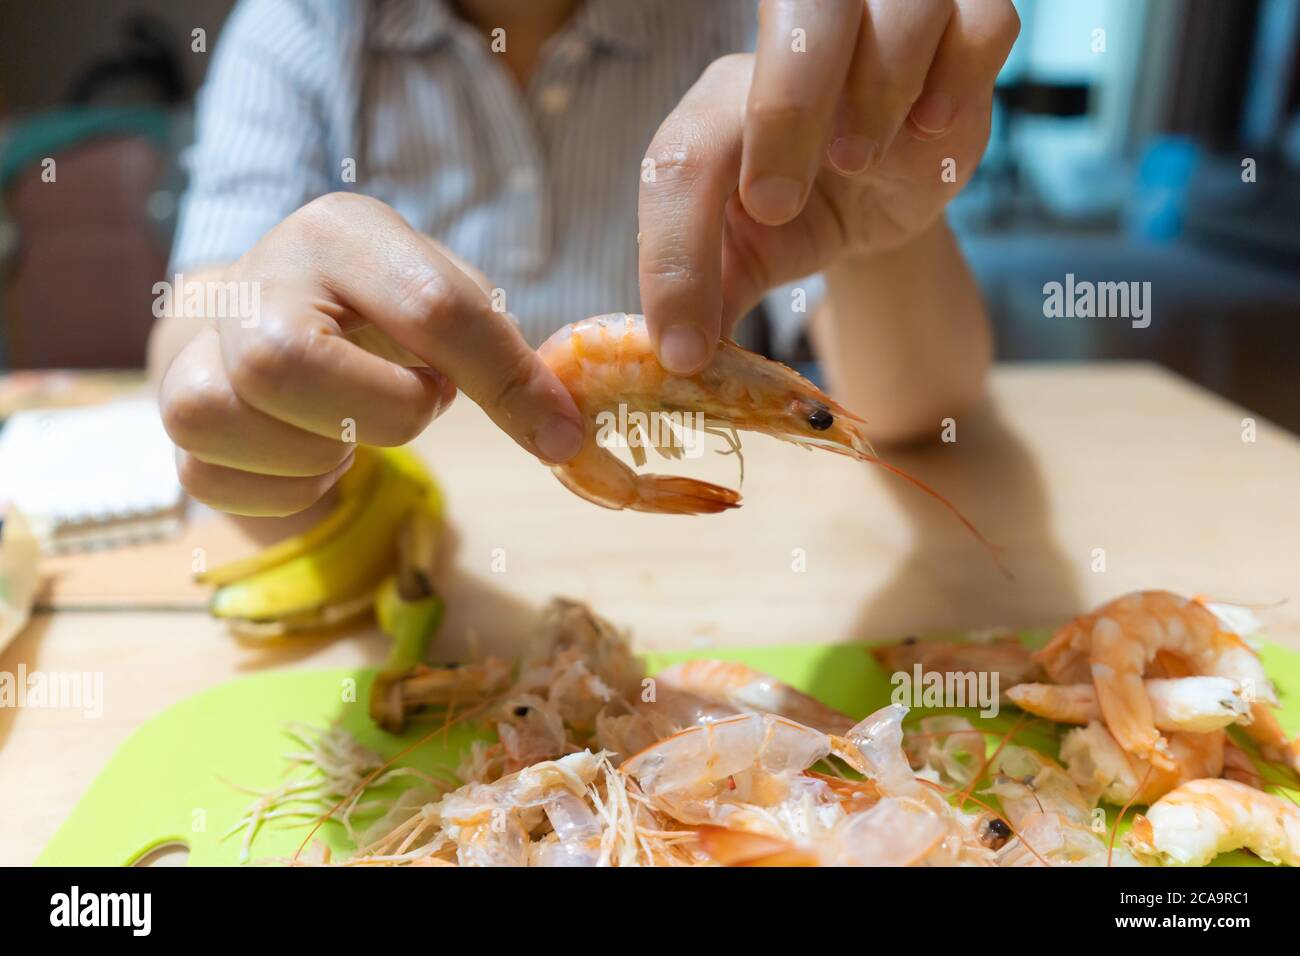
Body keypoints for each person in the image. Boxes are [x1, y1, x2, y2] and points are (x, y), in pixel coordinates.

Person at [151, 0, 1018, 517]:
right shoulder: (297, 26)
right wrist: (239, 363)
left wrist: (876, 205)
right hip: (412, 561)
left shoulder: (750, 18)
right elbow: (194, 329)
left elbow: (919, 404)